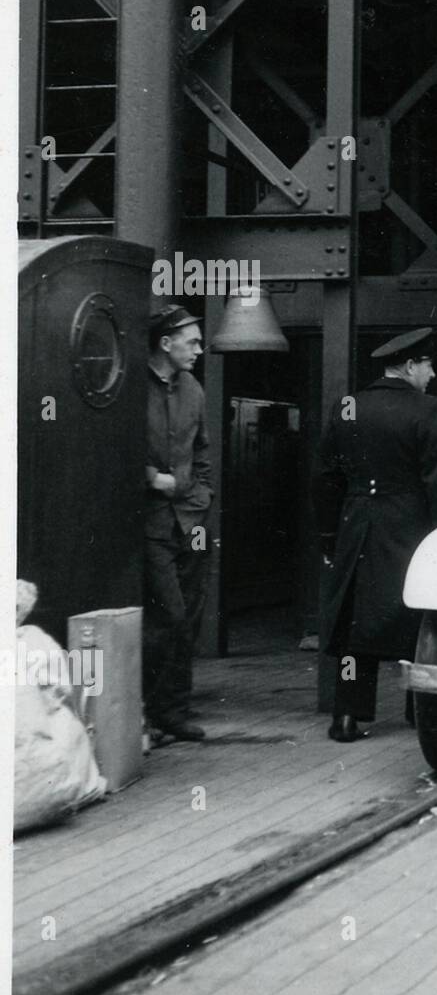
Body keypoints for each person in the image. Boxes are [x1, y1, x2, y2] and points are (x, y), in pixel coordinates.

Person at [314, 328, 437, 742]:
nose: (432, 374)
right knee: (418, 615)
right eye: (428, 365)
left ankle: (346, 717)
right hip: (409, 527)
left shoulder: (347, 406)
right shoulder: (429, 410)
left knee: (354, 623)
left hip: (357, 524)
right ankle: (420, 711)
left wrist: (329, 536)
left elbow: (326, 477)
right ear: (410, 365)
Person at [143, 303, 212, 743]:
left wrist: (202, 494)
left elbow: (201, 450)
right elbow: (110, 449)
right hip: (150, 520)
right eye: (192, 343)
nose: (200, 350)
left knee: (189, 616)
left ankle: (173, 712)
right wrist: (150, 478)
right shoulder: (131, 388)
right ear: (166, 344)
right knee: (168, 614)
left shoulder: (194, 390)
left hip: (191, 519)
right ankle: (147, 710)